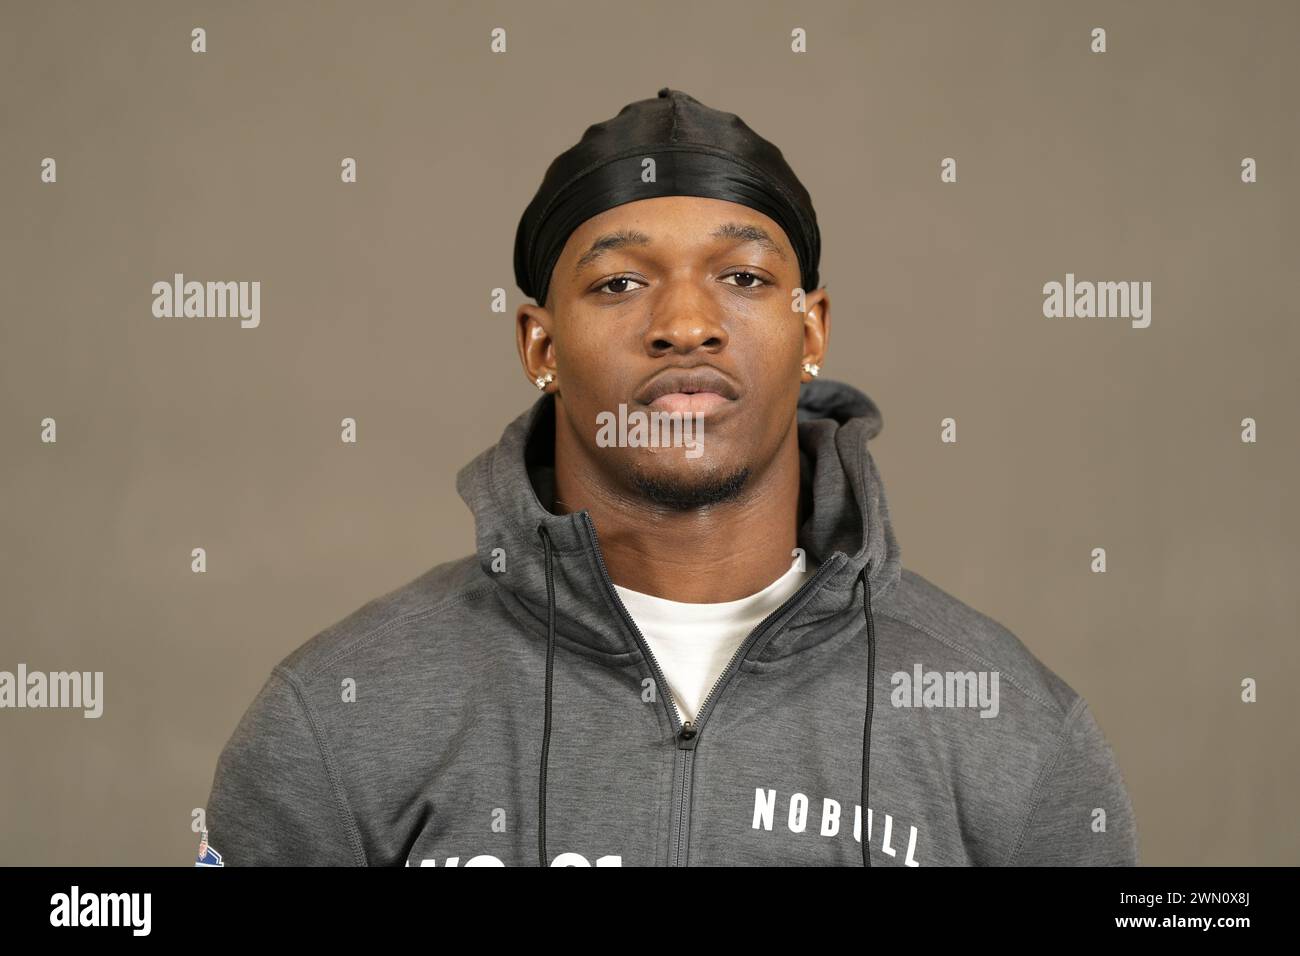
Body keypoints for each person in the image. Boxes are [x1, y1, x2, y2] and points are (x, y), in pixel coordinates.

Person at [203, 87, 1138, 866]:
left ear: (811, 332)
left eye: (742, 278)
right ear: (541, 345)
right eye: (618, 283)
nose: (685, 323)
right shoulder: (342, 713)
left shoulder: (1011, 728)